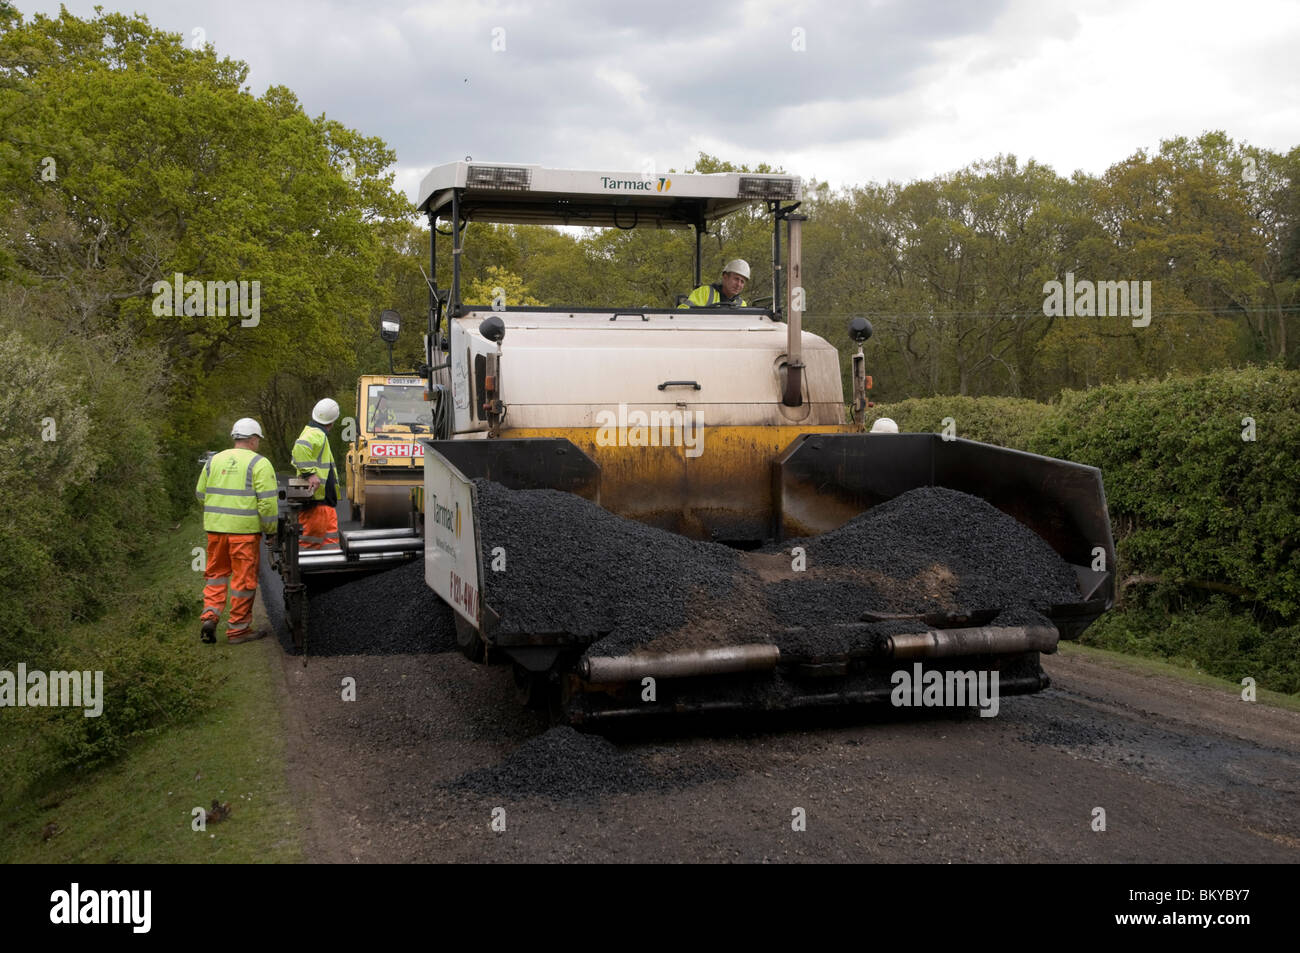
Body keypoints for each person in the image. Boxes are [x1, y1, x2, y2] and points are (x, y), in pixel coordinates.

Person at [195, 418, 278, 644]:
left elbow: (201, 494)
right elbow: (268, 504)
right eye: (257, 440)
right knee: (243, 581)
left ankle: (210, 616)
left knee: (216, 575)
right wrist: (270, 530)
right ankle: (238, 630)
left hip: (216, 531)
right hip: (244, 534)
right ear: (252, 440)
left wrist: (219, 515)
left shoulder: (214, 461)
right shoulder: (259, 463)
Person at [292, 398, 341, 550]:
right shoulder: (316, 434)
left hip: (324, 505)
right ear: (332, 422)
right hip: (317, 505)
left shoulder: (315, 433)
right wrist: (310, 474)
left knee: (329, 549)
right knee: (310, 549)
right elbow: (300, 448)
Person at [679, 259, 750, 308]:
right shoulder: (704, 293)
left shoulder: (742, 305)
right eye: (736, 279)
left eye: (742, 282)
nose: (738, 284)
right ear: (725, 277)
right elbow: (682, 313)